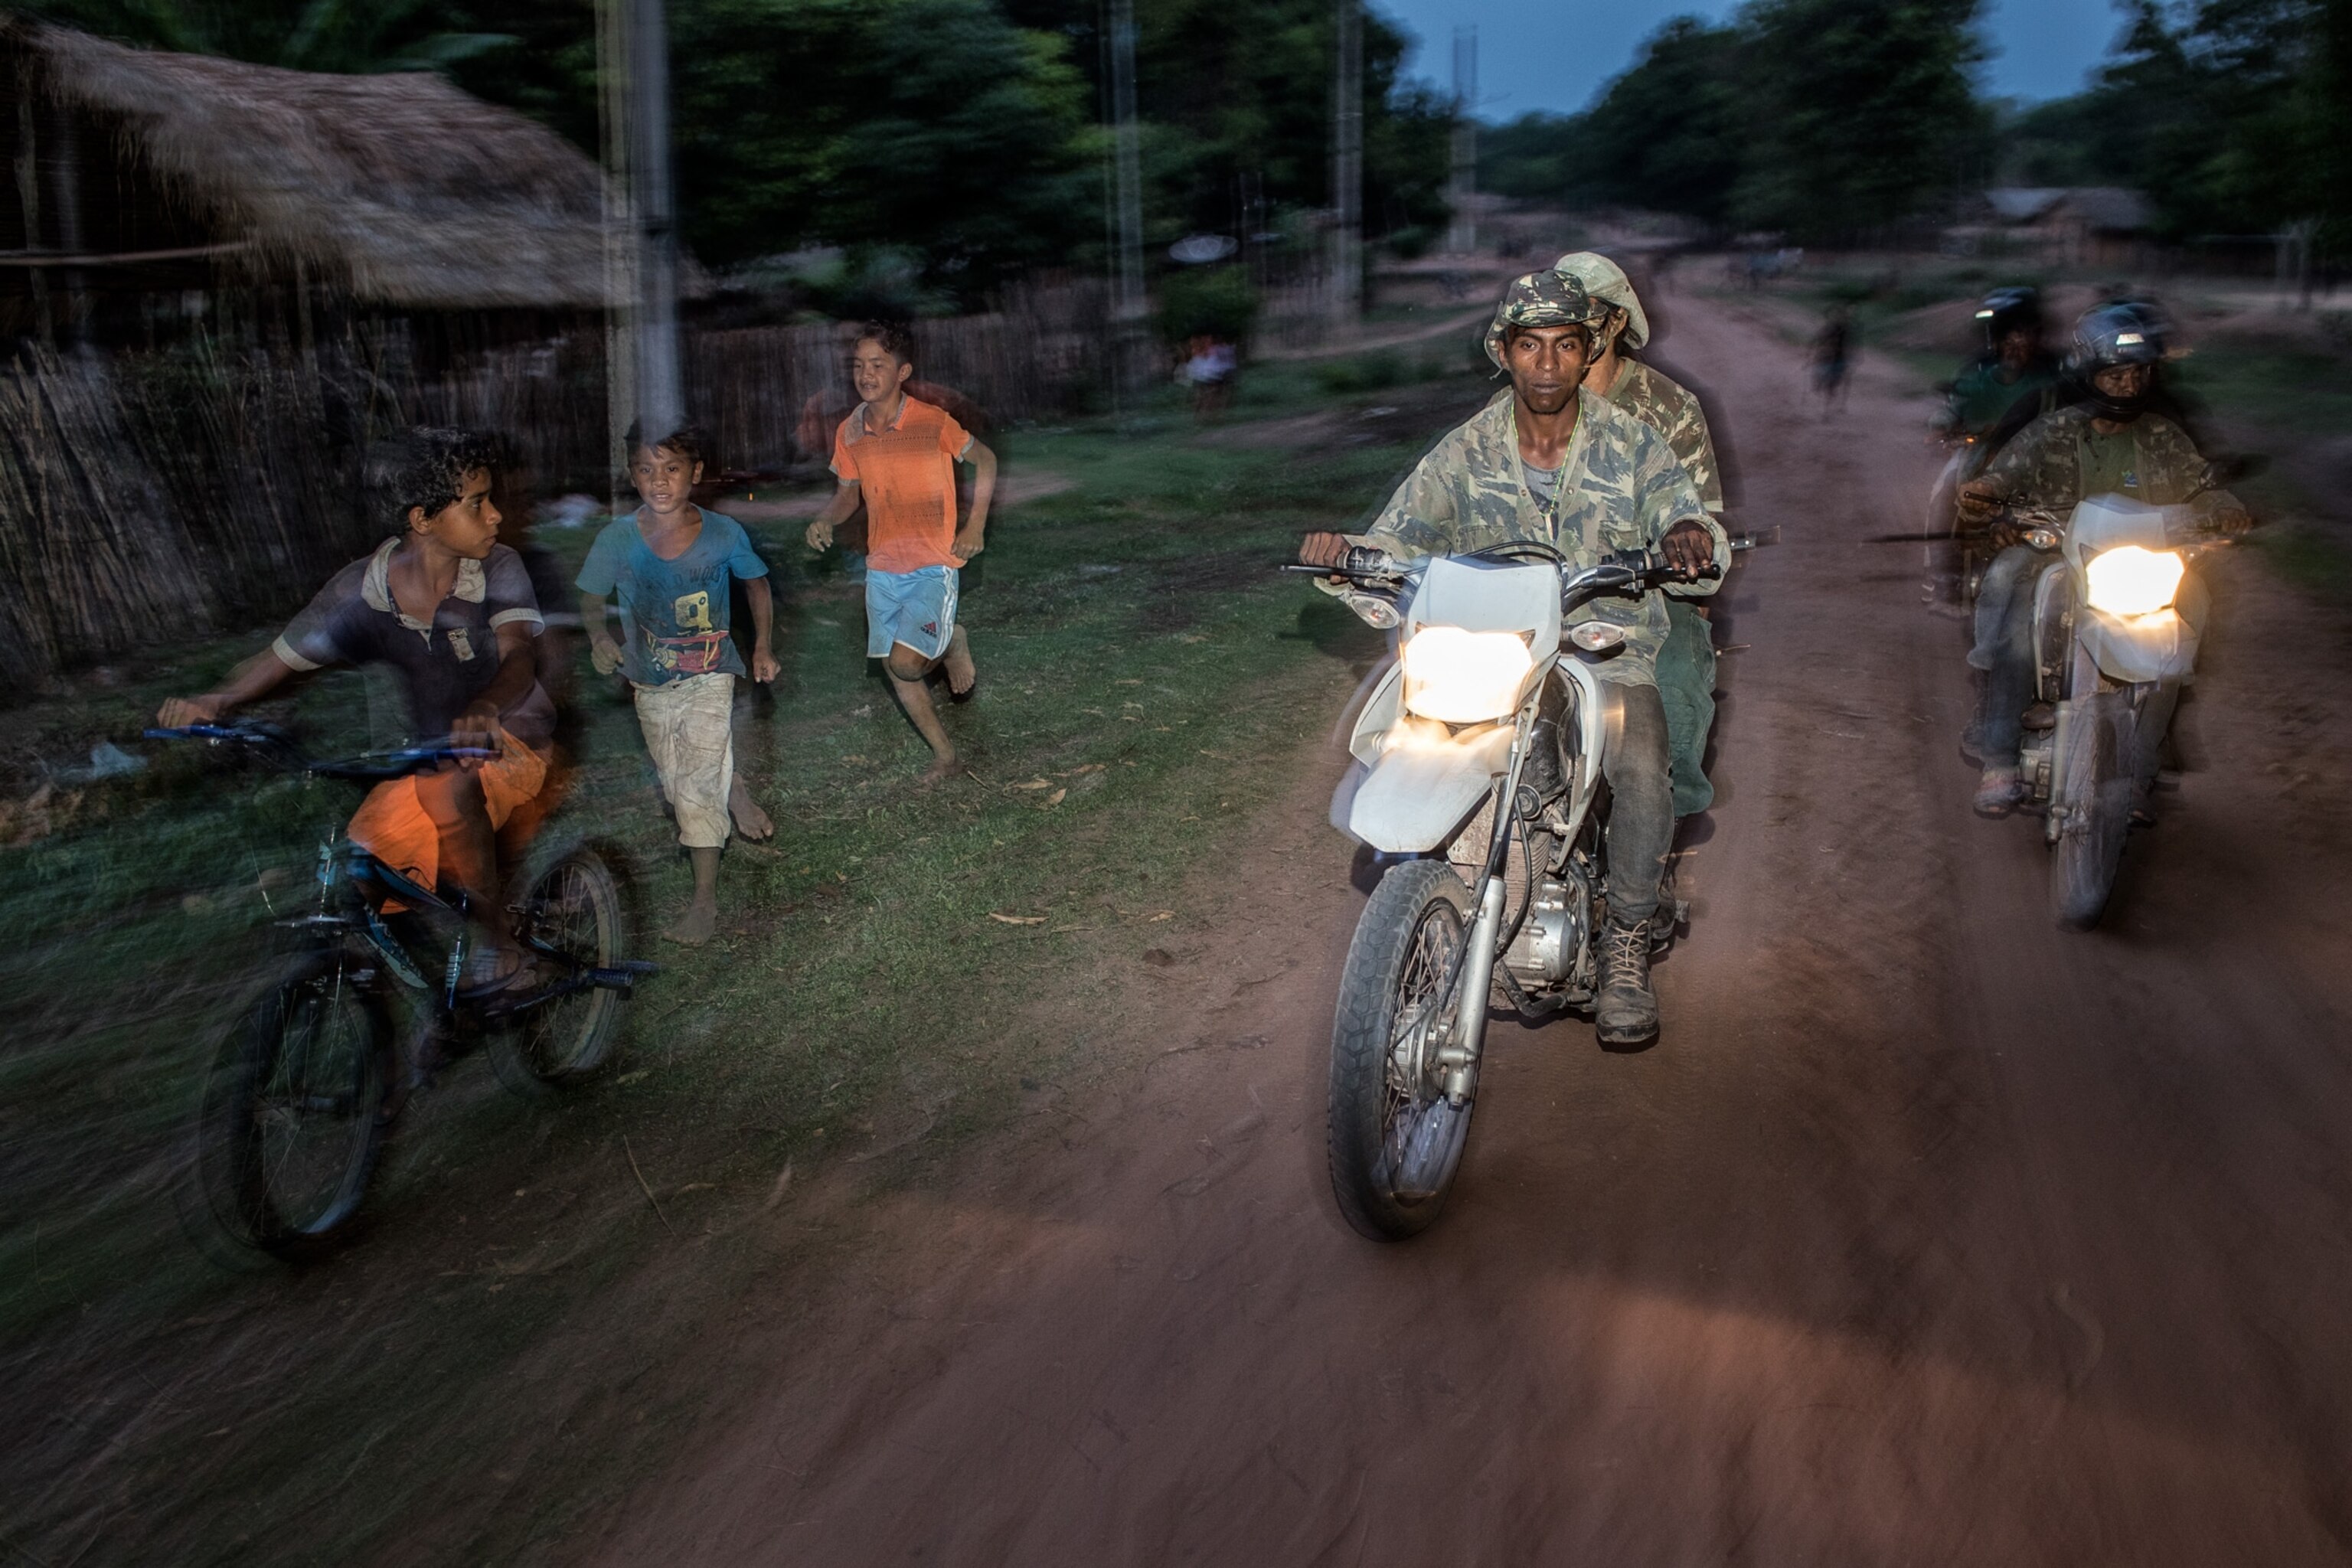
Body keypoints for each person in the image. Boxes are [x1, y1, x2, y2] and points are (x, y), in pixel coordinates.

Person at [1298, 272, 1728, 1046]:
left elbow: (1682, 508)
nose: (1547, 365)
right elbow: (1399, 534)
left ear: (1587, 351)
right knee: (1415, 721)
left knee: (1640, 754)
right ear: (1505, 352)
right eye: (1530, 345)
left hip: (1602, 642)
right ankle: (1440, 886)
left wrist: (1686, 535)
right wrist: (1347, 555)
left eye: (1567, 346)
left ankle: (1626, 940)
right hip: (1492, 640)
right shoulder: (1465, 448)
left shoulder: (1631, 441)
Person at [157, 427, 558, 1000]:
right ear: (423, 519)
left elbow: (519, 656)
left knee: (447, 795)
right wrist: (217, 702)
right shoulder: (360, 590)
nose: (496, 515)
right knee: (364, 865)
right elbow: (285, 656)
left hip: (511, 741)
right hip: (421, 758)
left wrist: (484, 706)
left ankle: (500, 945)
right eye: (478, 502)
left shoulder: (498, 568)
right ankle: (439, 1005)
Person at [1954, 304, 2251, 816]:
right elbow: (2003, 476)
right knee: (2011, 600)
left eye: (2137, 373)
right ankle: (1999, 756)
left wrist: (2225, 512)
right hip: (2054, 558)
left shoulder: (2163, 436)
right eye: (2115, 374)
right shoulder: (2052, 430)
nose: (2127, 385)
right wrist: (1983, 493)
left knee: (2192, 610)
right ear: (2089, 372)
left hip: (2138, 565)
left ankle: (2141, 764)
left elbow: (2206, 489)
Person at [577, 424, 779, 946]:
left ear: (696, 473)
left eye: (671, 469)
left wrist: (760, 647)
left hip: (712, 675)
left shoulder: (723, 533)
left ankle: (703, 904)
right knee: (676, 784)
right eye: (646, 470)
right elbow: (590, 598)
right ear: (631, 475)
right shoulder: (617, 538)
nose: (659, 481)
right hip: (649, 681)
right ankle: (731, 786)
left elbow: (756, 587)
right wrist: (600, 637)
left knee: (692, 790)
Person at [1553, 250, 1725, 820]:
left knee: (1673, 685)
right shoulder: (1521, 403)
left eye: (1583, 315)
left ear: (1617, 321)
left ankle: (1653, 849)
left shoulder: (1671, 408)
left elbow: (1701, 522)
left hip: (1645, 595)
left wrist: (1686, 540)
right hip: (1542, 593)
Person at [804, 322, 998, 784]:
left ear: (902, 371)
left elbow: (986, 459)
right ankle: (946, 756)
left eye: (878, 365)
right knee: (898, 672)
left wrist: (975, 525)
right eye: (858, 366)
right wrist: (824, 520)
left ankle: (951, 640)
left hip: (933, 562)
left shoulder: (932, 422)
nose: (866, 374)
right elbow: (848, 494)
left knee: (906, 661)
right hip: (883, 566)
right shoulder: (849, 431)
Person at [1934, 288, 2061, 462]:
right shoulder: (1978, 367)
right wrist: (1946, 424)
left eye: (2021, 333)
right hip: (1984, 451)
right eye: (2004, 335)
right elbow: (1955, 406)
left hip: (2041, 454)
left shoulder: (2054, 367)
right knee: (1949, 483)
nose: (2014, 345)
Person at [1811, 306, 1853, 414]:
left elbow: (1847, 346)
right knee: (1825, 383)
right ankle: (1825, 407)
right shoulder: (1826, 330)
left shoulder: (1845, 331)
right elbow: (1817, 343)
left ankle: (1825, 409)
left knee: (1832, 385)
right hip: (1826, 359)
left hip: (1837, 360)